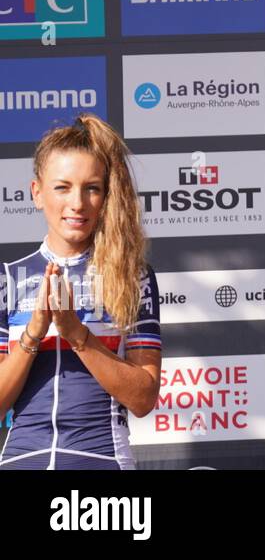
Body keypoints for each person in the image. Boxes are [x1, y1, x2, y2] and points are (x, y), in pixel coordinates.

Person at [0, 113, 163, 470]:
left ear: (106, 196)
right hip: (21, 460)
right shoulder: (8, 278)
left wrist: (77, 334)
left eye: (92, 188)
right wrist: (34, 332)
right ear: (37, 193)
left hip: (101, 460)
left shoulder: (132, 276)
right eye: (62, 187)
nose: (78, 203)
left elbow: (143, 397)